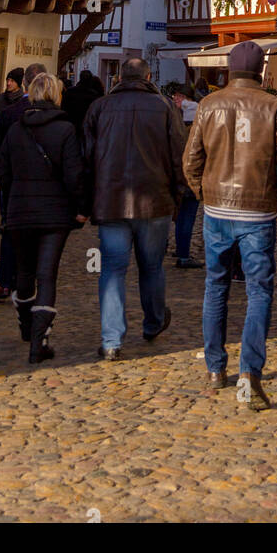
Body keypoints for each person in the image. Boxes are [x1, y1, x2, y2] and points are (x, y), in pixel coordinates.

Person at [184, 40, 277, 412]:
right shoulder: (274, 107)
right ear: (260, 71)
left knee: (215, 286)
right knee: (258, 291)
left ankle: (216, 367)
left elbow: (190, 161)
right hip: (258, 212)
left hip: (217, 210)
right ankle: (250, 373)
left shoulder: (208, 104)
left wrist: (204, 193)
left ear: (229, 70)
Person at [83, 57, 185, 359]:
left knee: (112, 270)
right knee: (151, 266)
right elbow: (178, 155)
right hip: (154, 200)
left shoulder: (99, 108)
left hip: (111, 201)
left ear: (118, 78)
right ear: (149, 76)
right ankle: (153, 322)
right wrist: (179, 195)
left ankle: (112, 340)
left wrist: (90, 197)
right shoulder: (165, 107)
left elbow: (86, 157)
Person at [0, 73, 88, 363]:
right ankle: (39, 341)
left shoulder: (16, 128)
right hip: (54, 214)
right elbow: (74, 174)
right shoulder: (65, 129)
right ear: (56, 95)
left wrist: (13, 197)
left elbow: (3, 171)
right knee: (47, 274)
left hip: (20, 211)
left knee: (24, 271)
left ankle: (26, 325)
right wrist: (82, 207)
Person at [0, 62, 46, 301]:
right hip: (41, 185)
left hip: (12, 182)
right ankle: (31, 279)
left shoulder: (8, 113)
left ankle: (6, 281)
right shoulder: (54, 117)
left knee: (10, 228)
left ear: (24, 83)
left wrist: (5, 180)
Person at [170, 85, 201, 268]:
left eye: (180, 96)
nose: (176, 99)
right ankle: (182, 253)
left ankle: (180, 249)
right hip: (191, 177)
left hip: (177, 175)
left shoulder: (173, 121)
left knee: (181, 215)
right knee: (186, 216)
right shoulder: (197, 125)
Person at [61, 68, 104, 136]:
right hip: (86, 129)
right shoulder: (94, 95)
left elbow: (63, 108)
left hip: (71, 126)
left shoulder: (70, 92)